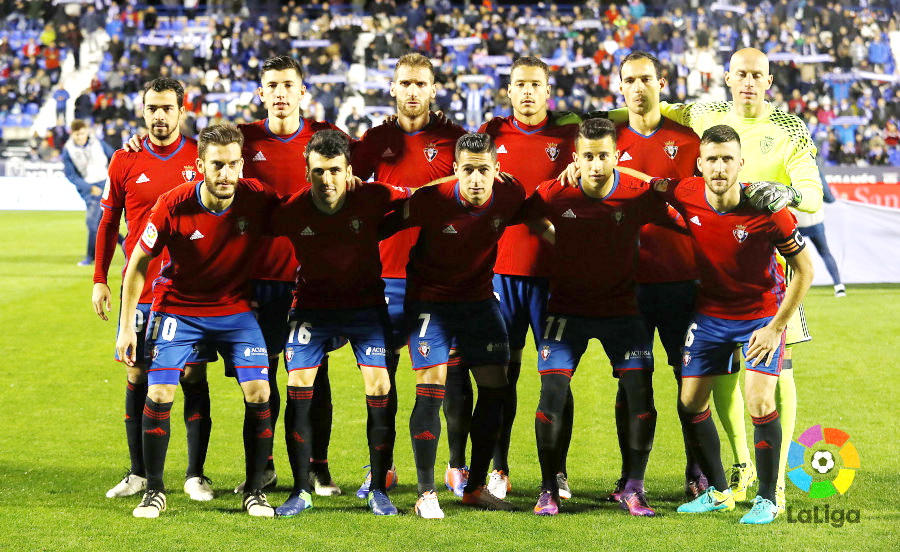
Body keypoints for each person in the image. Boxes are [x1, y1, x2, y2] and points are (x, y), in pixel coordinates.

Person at [611, 48, 823, 511]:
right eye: (741, 74)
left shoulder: (788, 128)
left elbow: (814, 194)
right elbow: (644, 107)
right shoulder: (703, 114)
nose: (748, 81)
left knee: (770, 384)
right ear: (727, 78)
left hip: (770, 276)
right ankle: (735, 471)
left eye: (757, 75)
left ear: (769, 81)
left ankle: (776, 486)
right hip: (711, 293)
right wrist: (574, 127)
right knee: (711, 389)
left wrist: (787, 193)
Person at [647, 124, 813, 524]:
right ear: (699, 164)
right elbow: (646, 184)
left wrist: (777, 327)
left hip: (760, 315)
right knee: (690, 402)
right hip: (710, 314)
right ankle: (719, 492)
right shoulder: (685, 192)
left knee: (759, 401)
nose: (719, 167)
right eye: (712, 160)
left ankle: (768, 497)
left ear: (741, 163)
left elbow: (804, 271)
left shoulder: (768, 209)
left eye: (727, 159)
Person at [116, 124, 280, 519]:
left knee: (260, 390)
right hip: (179, 309)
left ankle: (255, 491)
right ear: (200, 165)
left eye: (232, 165)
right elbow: (138, 261)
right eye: (217, 165)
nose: (225, 175)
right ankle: (154, 491)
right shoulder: (172, 204)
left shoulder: (258, 198)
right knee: (159, 394)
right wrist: (125, 327)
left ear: (243, 164)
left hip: (235, 310)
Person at [524, 118, 671, 517]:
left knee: (641, 397)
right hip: (566, 311)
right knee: (551, 398)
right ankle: (548, 488)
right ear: (576, 157)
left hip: (622, 310)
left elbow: (680, 214)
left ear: (615, 157)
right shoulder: (556, 192)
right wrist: (557, 238)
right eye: (588, 156)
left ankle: (633, 487)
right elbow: (528, 215)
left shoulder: (637, 194)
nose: (595, 165)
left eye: (603, 156)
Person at [268, 130, 412, 517]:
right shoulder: (292, 209)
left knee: (380, 382)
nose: (326, 180)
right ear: (307, 172)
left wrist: (467, 176)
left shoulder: (373, 195)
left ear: (349, 171)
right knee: (298, 381)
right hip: (311, 309)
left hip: (365, 307)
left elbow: (422, 198)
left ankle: (378, 488)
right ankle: (301, 489)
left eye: (334, 171)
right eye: (318, 172)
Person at [399, 133, 537, 519]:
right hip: (431, 303)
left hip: (479, 300)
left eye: (483, 170)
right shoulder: (431, 201)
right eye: (467, 170)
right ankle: (426, 492)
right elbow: (381, 224)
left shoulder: (510, 195)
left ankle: (475, 487)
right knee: (431, 387)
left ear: (497, 170)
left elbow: (538, 214)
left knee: (496, 385)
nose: (476, 179)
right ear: (454, 171)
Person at [93, 78, 215, 502]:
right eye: (152, 109)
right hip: (139, 290)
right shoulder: (124, 159)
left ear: (182, 111)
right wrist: (99, 280)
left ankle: (196, 474)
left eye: (167, 108)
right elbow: (108, 224)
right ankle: (139, 474)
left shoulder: (201, 158)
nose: (159, 116)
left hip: (188, 293)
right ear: (142, 111)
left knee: (192, 375)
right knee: (136, 374)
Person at [351, 52, 466, 499]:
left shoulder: (456, 140)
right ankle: (382, 468)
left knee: (448, 378)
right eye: (406, 83)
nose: (413, 91)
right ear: (393, 89)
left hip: (441, 281)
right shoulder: (375, 140)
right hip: (383, 278)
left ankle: (457, 467)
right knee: (381, 378)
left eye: (422, 83)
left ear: (433, 88)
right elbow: (350, 192)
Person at [473, 56, 581, 500]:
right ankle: (500, 468)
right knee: (504, 375)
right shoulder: (491, 135)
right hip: (502, 275)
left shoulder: (570, 136)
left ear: (548, 90)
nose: (528, 92)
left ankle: (557, 472)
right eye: (520, 84)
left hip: (555, 276)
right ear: (509, 90)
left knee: (557, 377)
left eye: (536, 84)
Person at [612, 51, 706, 500]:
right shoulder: (607, 141)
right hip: (627, 284)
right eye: (629, 79)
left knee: (688, 381)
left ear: (661, 82)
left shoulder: (688, 141)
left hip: (682, 280)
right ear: (620, 86)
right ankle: (631, 479)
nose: (638, 86)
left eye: (645, 78)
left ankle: (697, 472)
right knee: (632, 382)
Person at [62, 119, 115, 266]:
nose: (80, 137)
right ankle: (122, 246)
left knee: (96, 224)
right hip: (90, 188)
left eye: (82, 134)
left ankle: (90, 257)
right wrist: (87, 187)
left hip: (105, 183)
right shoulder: (68, 150)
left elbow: (114, 156)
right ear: (72, 134)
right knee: (98, 224)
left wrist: (114, 176)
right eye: (77, 135)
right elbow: (70, 175)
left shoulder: (98, 143)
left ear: (87, 132)